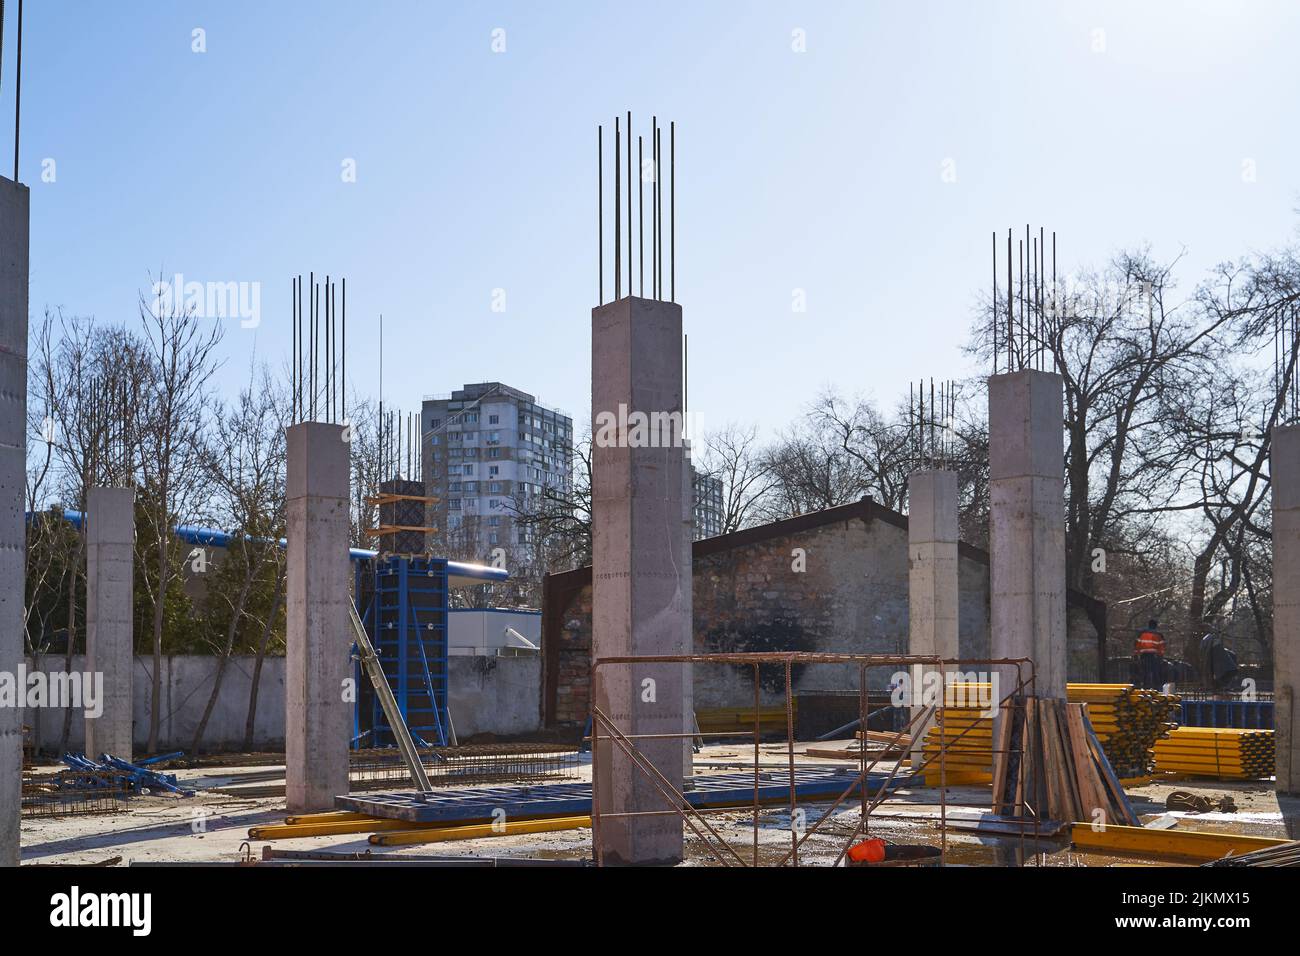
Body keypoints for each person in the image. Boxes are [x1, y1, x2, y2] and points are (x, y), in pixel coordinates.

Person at [1134, 619, 1167, 689]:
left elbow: (1137, 645)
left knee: (1145, 672)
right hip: (1154, 656)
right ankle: (1157, 688)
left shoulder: (1142, 633)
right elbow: (1162, 647)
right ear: (1155, 626)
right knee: (1155, 672)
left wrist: (1136, 655)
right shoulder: (1158, 635)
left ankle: (1145, 687)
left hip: (1144, 655)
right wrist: (1161, 657)